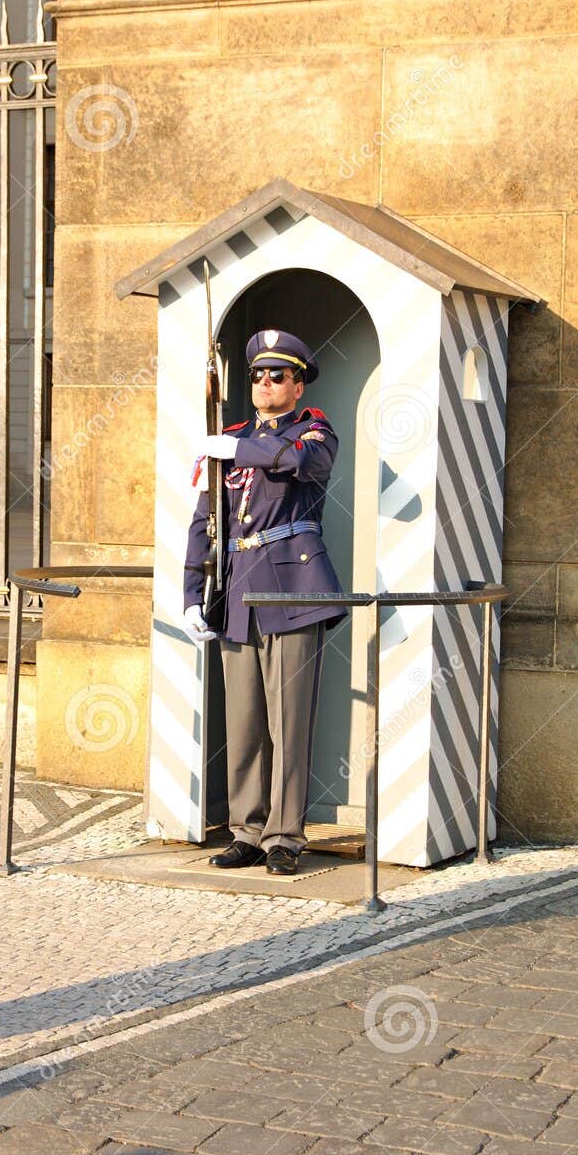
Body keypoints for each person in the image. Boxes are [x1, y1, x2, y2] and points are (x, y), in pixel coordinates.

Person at [183, 329, 347, 875]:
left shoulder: (313, 432)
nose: (264, 384)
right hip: (238, 592)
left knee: (289, 722)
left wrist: (237, 449)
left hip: (292, 590)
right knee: (246, 723)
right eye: (256, 375)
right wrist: (191, 595)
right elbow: (205, 524)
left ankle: (285, 836)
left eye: (277, 376)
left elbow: (305, 464)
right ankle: (247, 830)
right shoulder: (228, 439)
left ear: (298, 386)